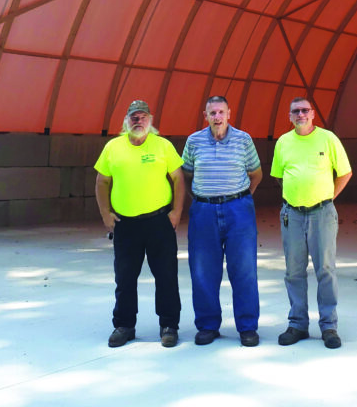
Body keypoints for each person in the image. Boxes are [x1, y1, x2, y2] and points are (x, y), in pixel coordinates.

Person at [94, 99, 184, 348]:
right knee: (124, 277)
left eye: (142, 116)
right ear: (126, 121)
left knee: (166, 276)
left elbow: (178, 179)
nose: (138, 120)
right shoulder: (113, 147)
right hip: (126, 224)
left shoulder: (163, 146)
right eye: (133, 116)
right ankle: (124, 325)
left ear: (150, 120)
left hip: (159, 222)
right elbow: (101, 182)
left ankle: (169, 325)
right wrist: (105, 213)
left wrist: (176, 212)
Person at [270, 96, 352, 349]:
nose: (300, 114)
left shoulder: (328, 139)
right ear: (289, 116)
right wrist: (296, 198)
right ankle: (297, 324)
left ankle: (329, 326)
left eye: (305, 110)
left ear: (313, 113)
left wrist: (326, 198)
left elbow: (345, 173)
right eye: (295, 111)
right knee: (293, 272)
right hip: (292, 215)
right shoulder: (283, 142)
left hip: (322, 214)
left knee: (325, 270)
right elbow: (279, 177)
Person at [181, 95, 263, 346]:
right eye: (212, 113)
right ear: (205, 115)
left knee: (244, 269)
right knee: (203, 270)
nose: (217, 117)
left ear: (229, 114)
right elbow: (186, 174)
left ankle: (247, 327)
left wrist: (240, 198)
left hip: (238, 209)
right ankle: (207, 325)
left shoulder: (244, 139)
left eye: (221, 112)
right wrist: (202, 197)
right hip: (204, 211)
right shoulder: (193, 141)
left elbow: (255, 174)